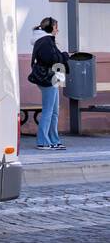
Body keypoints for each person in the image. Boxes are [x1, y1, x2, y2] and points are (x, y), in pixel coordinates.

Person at [30, 16, 70, 150]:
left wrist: (62, 56)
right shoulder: (44, 41)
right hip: (48, 78)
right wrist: (65, 55)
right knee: (48, 111)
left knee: (54, 112)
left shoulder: (47, 40)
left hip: (54, 77)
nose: (58, 30)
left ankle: (53, 139)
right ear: (51, 27)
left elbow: (55, 58)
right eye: (56, 27)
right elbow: (52, 59)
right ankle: (43, 141)